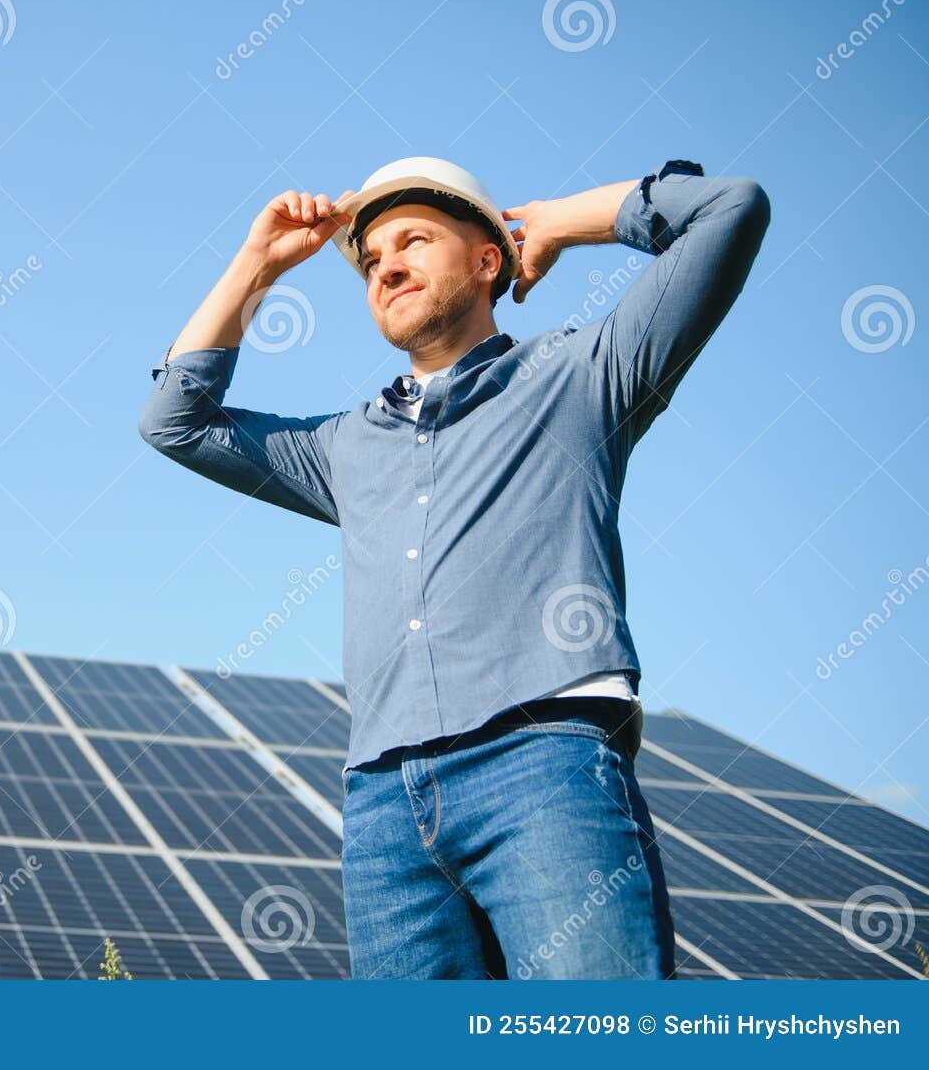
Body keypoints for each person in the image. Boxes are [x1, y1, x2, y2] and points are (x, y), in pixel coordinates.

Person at [137, 156, 772, 978]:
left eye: (414, 241)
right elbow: (173, 420)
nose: (386, 266)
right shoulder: (343, 446)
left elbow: (730, 209)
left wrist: (561, 220)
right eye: (371, 261)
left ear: (486, 260)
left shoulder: (585, 376)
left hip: (543, 764)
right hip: (381, 806)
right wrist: (258, 267)